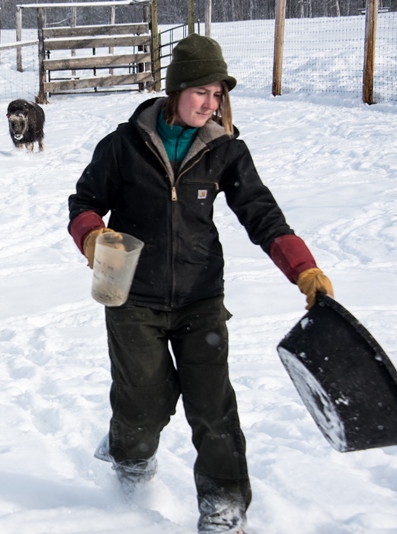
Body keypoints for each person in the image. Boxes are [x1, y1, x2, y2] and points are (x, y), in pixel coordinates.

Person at [67, 34, 333, 534]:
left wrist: (304, 270)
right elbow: (82, 202)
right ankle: (130, 455)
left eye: (218, 95)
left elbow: (264, 217)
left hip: (201, 299)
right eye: (201, 93)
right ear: (175, 90)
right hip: (131, 299)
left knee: (212, 408)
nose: (210, 104)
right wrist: (91, 236)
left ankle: (224, 505)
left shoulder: (225, 151)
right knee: (142, 405)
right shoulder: (123, 146)